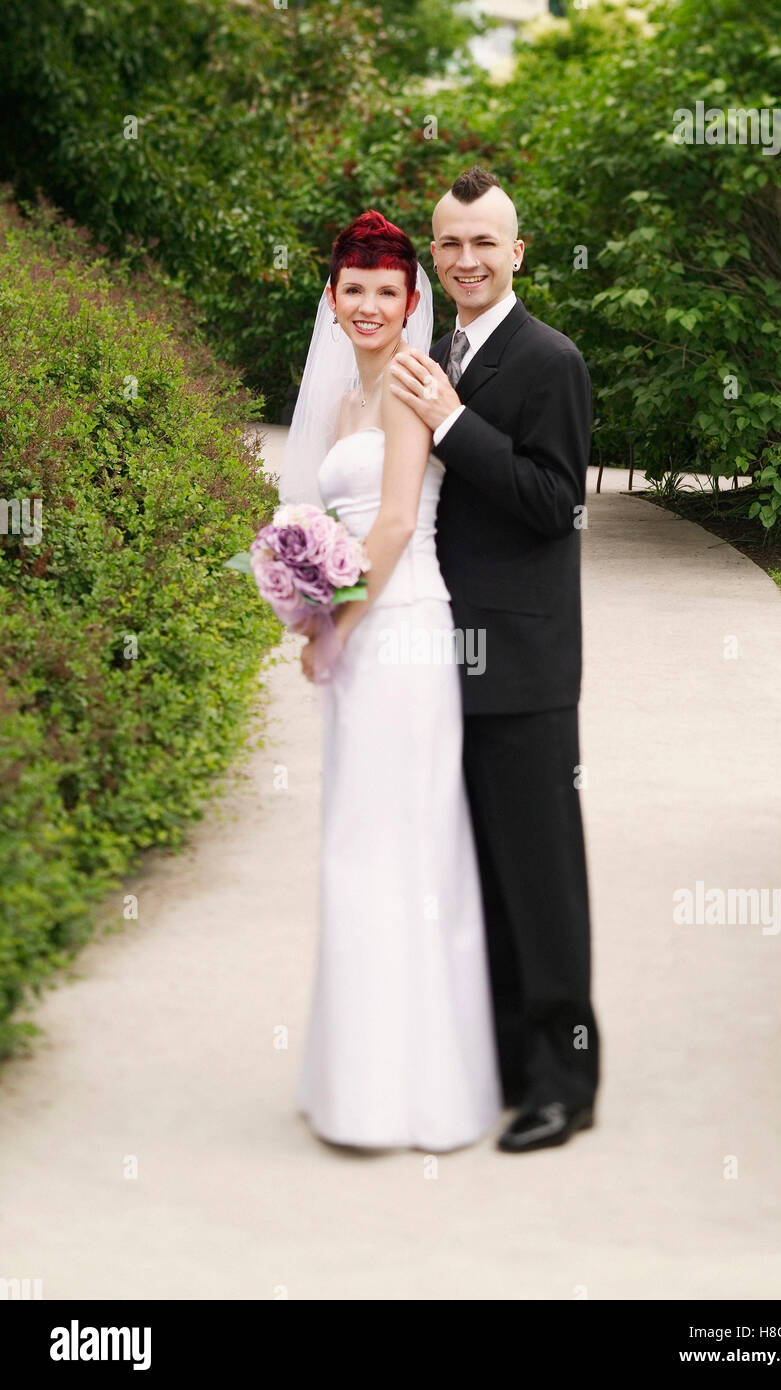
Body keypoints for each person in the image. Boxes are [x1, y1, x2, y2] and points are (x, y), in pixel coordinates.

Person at [388, 167, 601, 1153]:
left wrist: (453, 424)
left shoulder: (550, 359)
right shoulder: (427, 357)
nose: (466, 259)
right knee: (478, 876)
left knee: (542, 879)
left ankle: (566, 1080)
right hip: (435, 656)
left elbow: (556, 501)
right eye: (450, 244)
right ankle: (507, 1064)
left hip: (522, 662)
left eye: (485, 243)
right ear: (435, 255)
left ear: (517, 252)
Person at [285, 210, 501, 1151]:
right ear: (332, 303)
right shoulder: (338, 408)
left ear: (412, 304)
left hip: (404, 634)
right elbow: (331, 526)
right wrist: (304, 595)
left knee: (401, 851)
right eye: (354, 290)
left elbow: (399, 524)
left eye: (387, 291)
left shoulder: (417, 386)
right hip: (363, 637)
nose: (370, 306)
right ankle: (357, 1086)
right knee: (355, 844)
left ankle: (417, 1095)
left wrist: (330, 628)